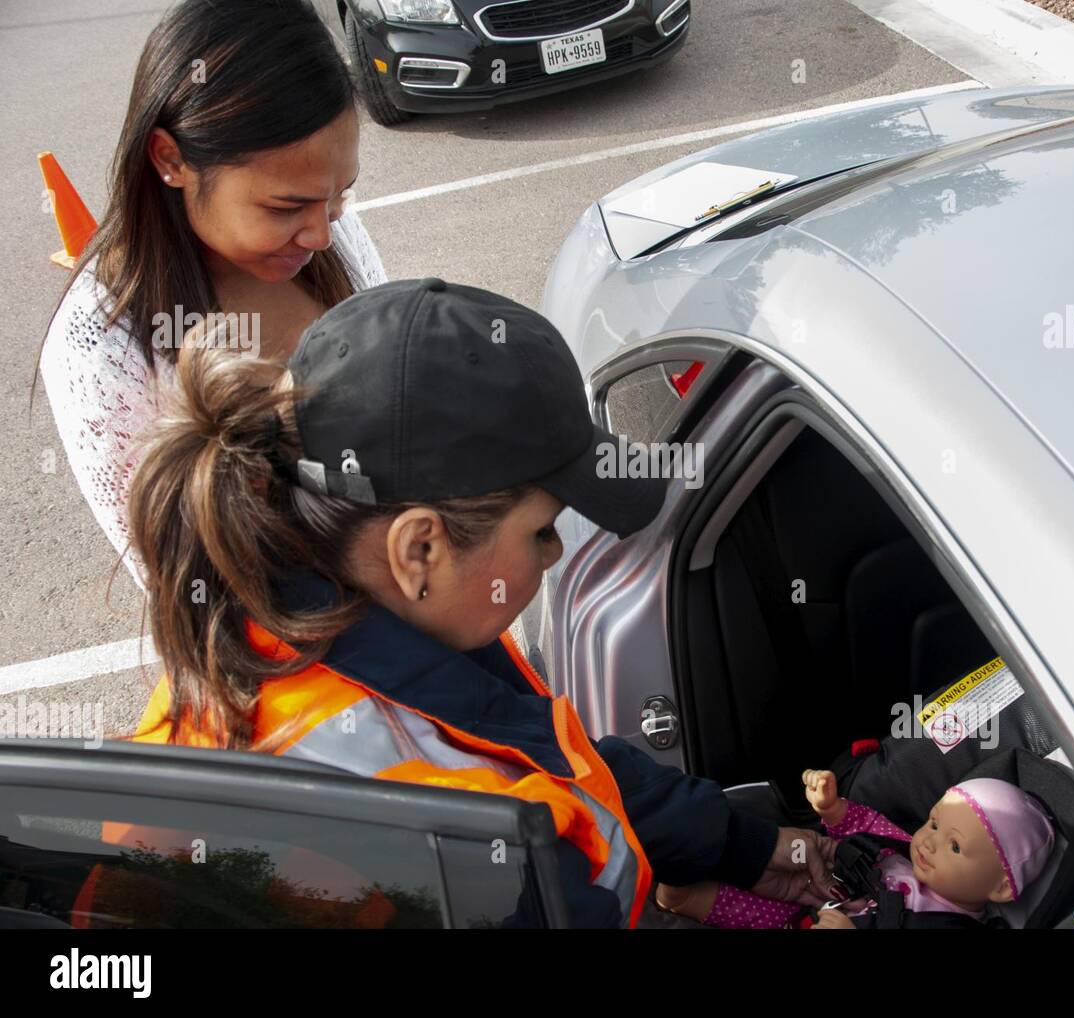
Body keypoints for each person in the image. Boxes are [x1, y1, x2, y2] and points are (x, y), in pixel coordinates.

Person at [112, 277, 837, 928]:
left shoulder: (299, 621)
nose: (554, 556)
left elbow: (540, 751)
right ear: (420, 548)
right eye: (543, 531)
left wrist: (748, 846)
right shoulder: (444, 827)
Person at [36, 0, 386, 589]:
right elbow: (178, 580)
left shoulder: (330, 233)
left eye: (339, 195)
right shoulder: (101, 346)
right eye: (285, 206)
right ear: (171, 159)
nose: (323, 232)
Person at [657, 770, 1056, 929]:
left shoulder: (952, 926)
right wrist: (832, 808)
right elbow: (864, 829)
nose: (929, 840)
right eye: (933, 823)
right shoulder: (903, 852)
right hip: (812, 899)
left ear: (1001, 887)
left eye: (954, 845)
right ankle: (688, 899)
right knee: (763, 904)